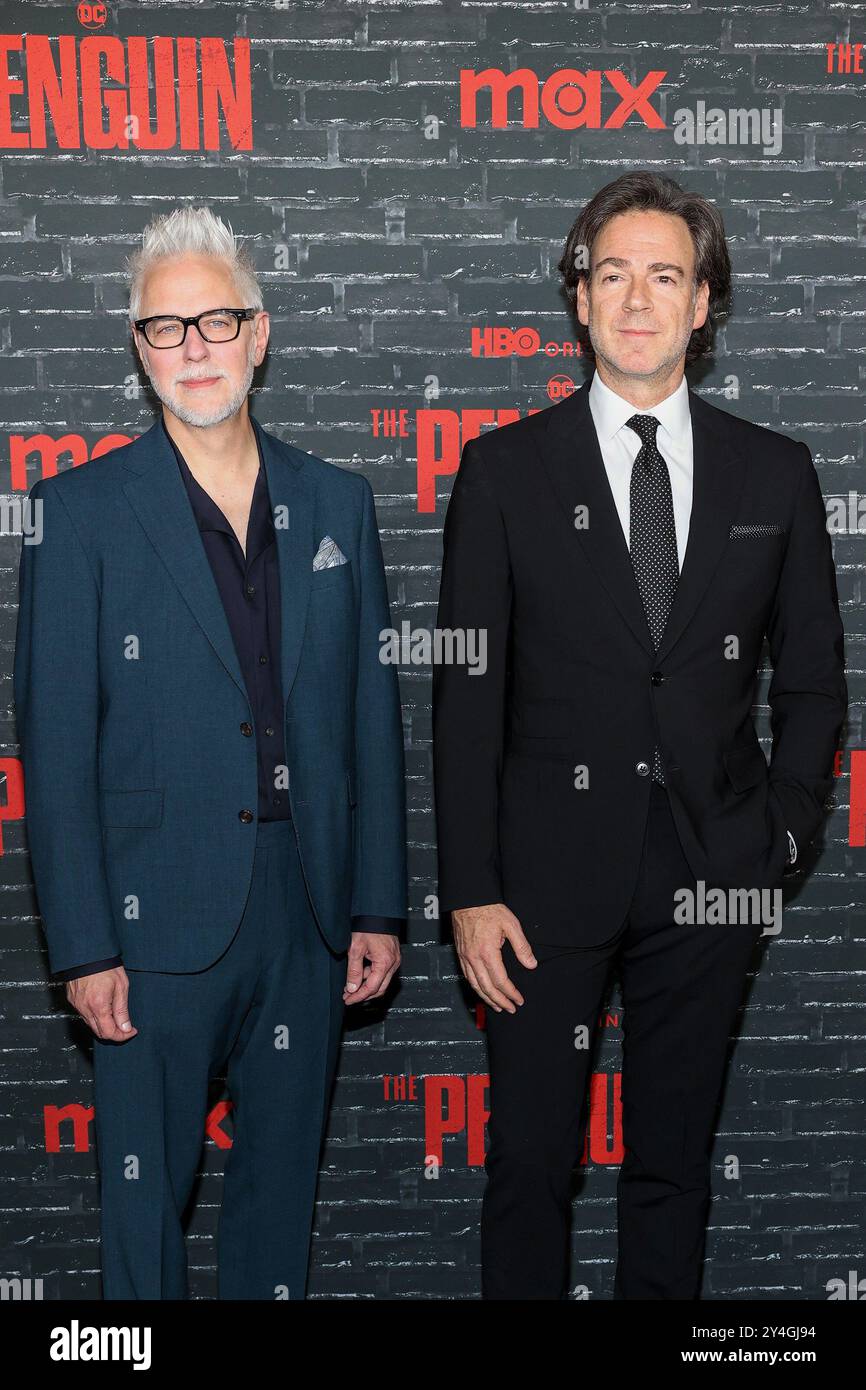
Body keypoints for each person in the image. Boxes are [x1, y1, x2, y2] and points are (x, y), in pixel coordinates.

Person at [432, 171, 847, 1299]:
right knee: (527, 1167)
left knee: (670, 1169)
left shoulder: (774, 472)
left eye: (663, 275)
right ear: (577, 299)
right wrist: (468, 890)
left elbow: (810, 684)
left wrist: (780, 840)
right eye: (608, 273)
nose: (634, 299)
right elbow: (465, 696)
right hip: (536, 889)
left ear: (702, 303)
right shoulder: (505, 471)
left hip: (709, 878)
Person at [14, 205, 407, 1300]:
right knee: (143, 1218)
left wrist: (376, 903)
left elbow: (371, 718)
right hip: (152, 927)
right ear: (137, 350)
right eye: (165, 327)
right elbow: (53, 745)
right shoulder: (77, 514)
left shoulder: (339, 502)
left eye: (216, 321)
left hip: (309, 916)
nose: (193, 347)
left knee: (277, 1207)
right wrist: (84, 945)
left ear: (261, 333)